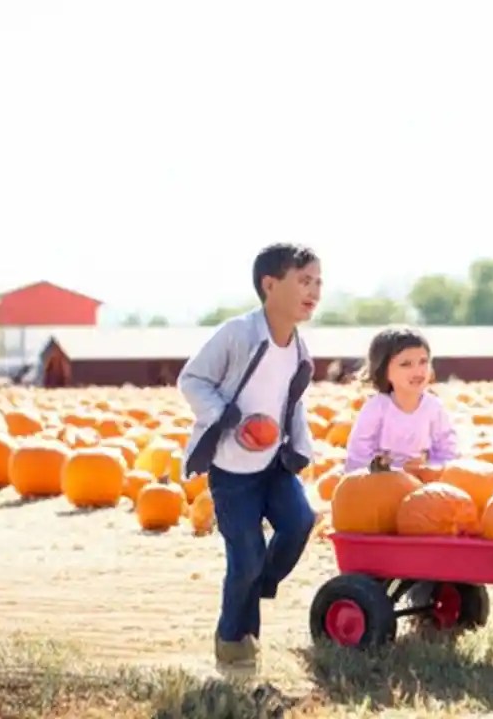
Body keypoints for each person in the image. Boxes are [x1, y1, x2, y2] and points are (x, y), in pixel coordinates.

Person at [178, 242, 323, 668]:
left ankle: (261, 582)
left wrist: (300, 448)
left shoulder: (299, 351)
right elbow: (192, 379)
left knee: (299, 522)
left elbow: (293, 404)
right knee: (244, 559)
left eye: (318, 282)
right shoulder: (237, 334)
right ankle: (232, 639)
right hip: (232, 472)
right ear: (269, 284)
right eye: (303, 280)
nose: (313, 290)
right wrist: (224, 415)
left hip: (273, 465)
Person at [343, 326, 461, 473]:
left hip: (421, 481)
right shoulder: (377, 408)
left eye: (423, 362)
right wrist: (388, 470)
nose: (418, 371)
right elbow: (358, 456)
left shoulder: (433, 407)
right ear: (383, 370)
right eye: (406, 364)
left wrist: (430, 468)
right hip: (381, 482)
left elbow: (448, 451)